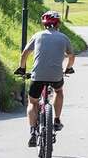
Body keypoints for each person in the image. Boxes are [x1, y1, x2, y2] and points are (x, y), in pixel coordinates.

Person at [13, 11, 75, 147]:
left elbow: (25, 54)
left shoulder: (37, 36)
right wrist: (68, 68)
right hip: (56, 75)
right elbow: (71, 56)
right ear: (58, 23)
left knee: (32, 101)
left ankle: (32, 132)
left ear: (44, 24)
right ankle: (57, 120)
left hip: (38, 76)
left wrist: (22, 68)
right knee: (58, 91)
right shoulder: (64, 38)